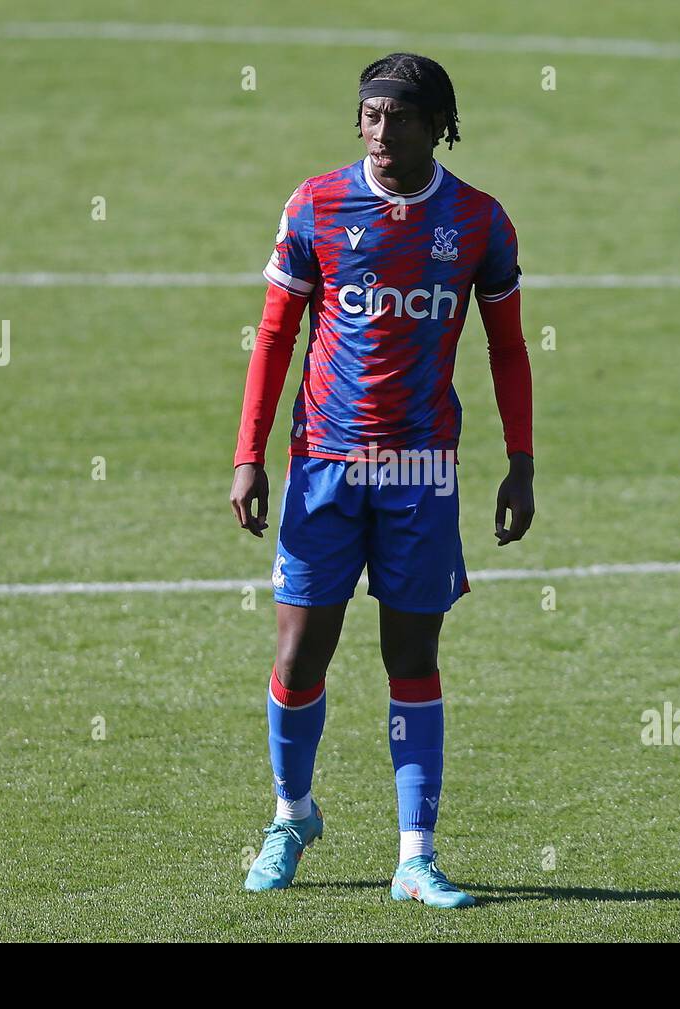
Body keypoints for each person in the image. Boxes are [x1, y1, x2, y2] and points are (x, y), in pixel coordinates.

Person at [229, 51, 534, 909]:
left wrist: (522, 462)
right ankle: (292, 816)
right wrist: (250, 453)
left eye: (400, 115)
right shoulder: (316, 205)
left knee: (413, 656)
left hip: (424, 470)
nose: (381, 129)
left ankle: (415, 856)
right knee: (300, 653)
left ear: (439, 123)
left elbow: (506, 347)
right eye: (369, 114)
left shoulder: (478, 222)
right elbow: (276, 336)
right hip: (324, 462)